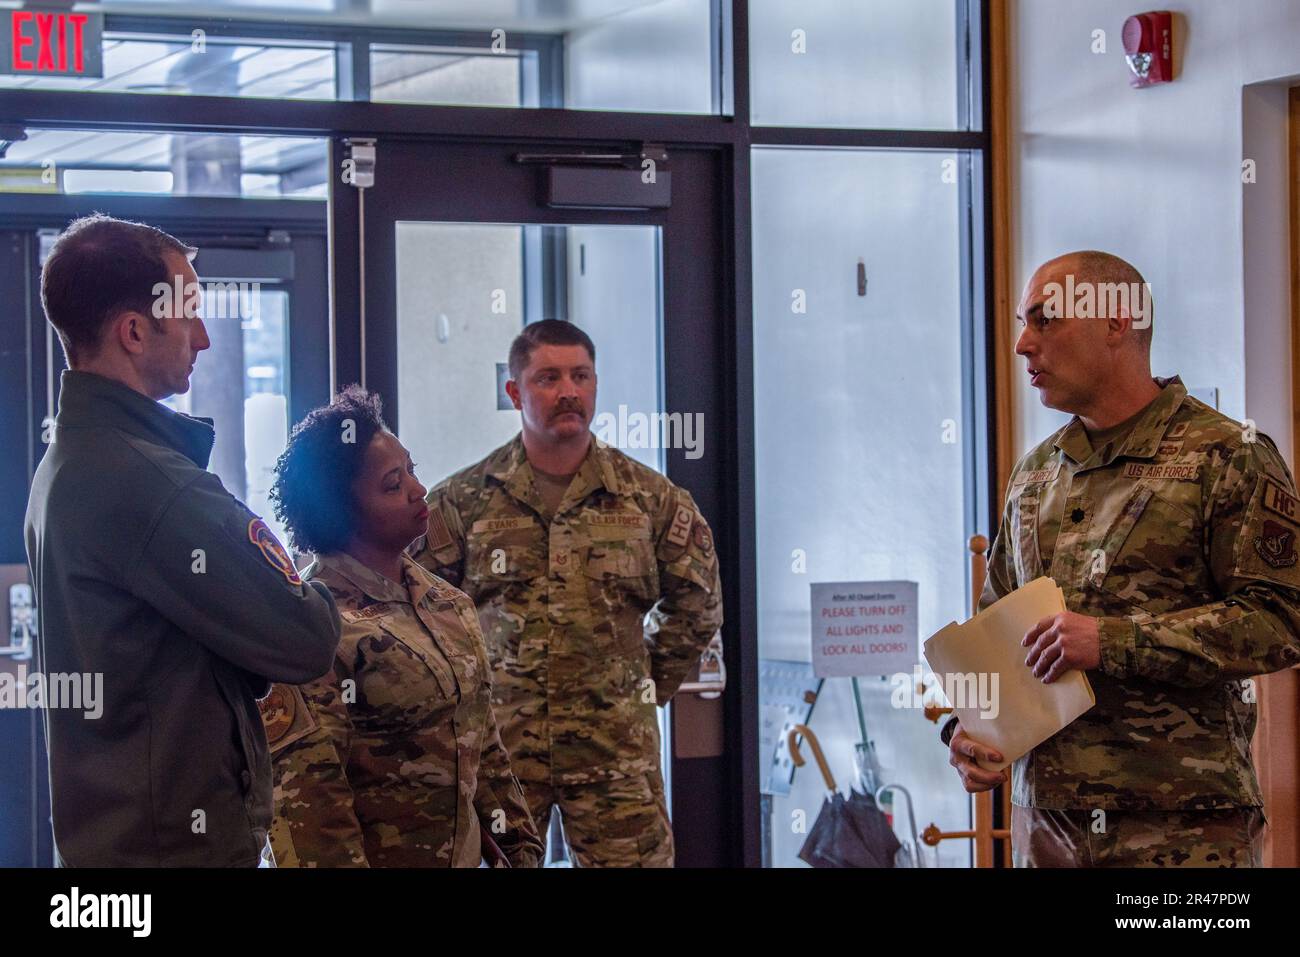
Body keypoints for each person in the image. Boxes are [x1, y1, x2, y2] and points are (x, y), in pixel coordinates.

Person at [943, 250, 1300, 867]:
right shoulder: (1034, 474)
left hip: (1182, 828)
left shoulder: (1226, 455)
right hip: (1048, 824)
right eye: (1023, 325)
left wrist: (1113, 642)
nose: (1024, 344)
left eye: (1044, 320)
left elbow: (1280, 620)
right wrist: (968, 732)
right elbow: (995, 630)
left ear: (1116, 322)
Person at [23, 214, 341, 867]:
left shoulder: (69, 460)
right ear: (134, 332)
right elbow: (305, 633)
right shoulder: (151, 484)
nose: (203, 338)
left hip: (112, 843)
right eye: (190, 313)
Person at [411, 319, 722, 867]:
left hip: (616, 759)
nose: (568, 392)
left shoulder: (650, 498)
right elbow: (418, 609)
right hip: (500, 758)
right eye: (548, 378)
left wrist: (641, 684)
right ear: (514, 392)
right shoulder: (463, 501)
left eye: (580, 376)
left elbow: (698, 604)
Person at [263, 386, 543, 867]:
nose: (419, 490)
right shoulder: (312, 626)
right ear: (340, 510)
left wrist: (521, 849)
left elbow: (484, 747)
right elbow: (311, 805)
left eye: (411, 470)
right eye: (393, 485)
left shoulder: (447, 602)